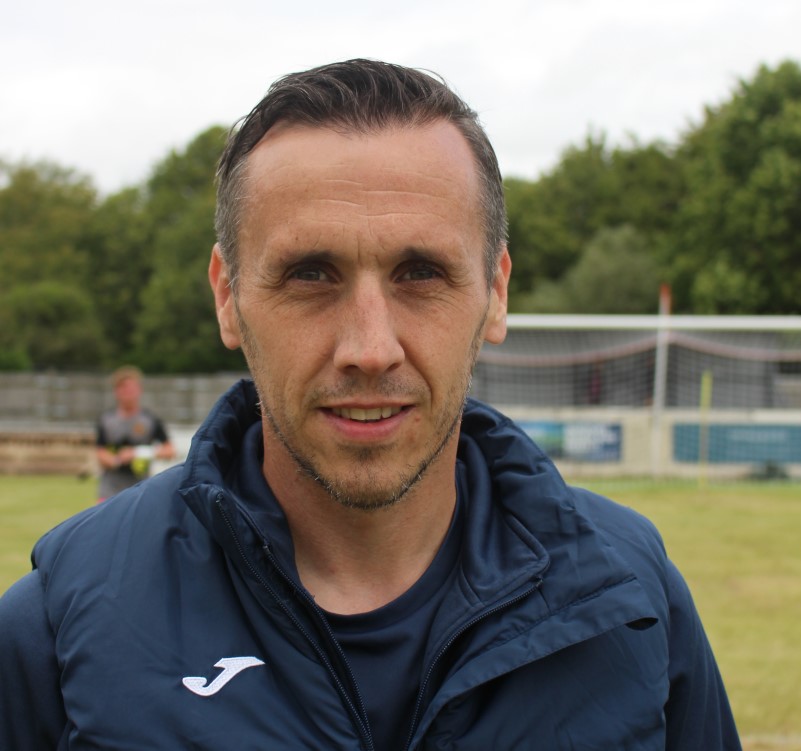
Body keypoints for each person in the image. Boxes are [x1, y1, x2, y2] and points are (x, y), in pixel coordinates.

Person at [0, 59, 740, 750]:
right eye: (310, 273)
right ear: (228, 296)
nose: (370, 348)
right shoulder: (61, 625)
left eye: (420, 272)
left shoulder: (631, 597)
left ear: (496, 290)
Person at [95, 365, 176, 501]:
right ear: (116, 391)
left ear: (139, 390)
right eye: (123, 388)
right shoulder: (106, 420)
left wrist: (137, 453)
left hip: (140, 490)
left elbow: (169, 451)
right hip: (109, 491)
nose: (128, 392)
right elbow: (100, 451)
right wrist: (116, 460)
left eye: (131, 388)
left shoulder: (150, 420)